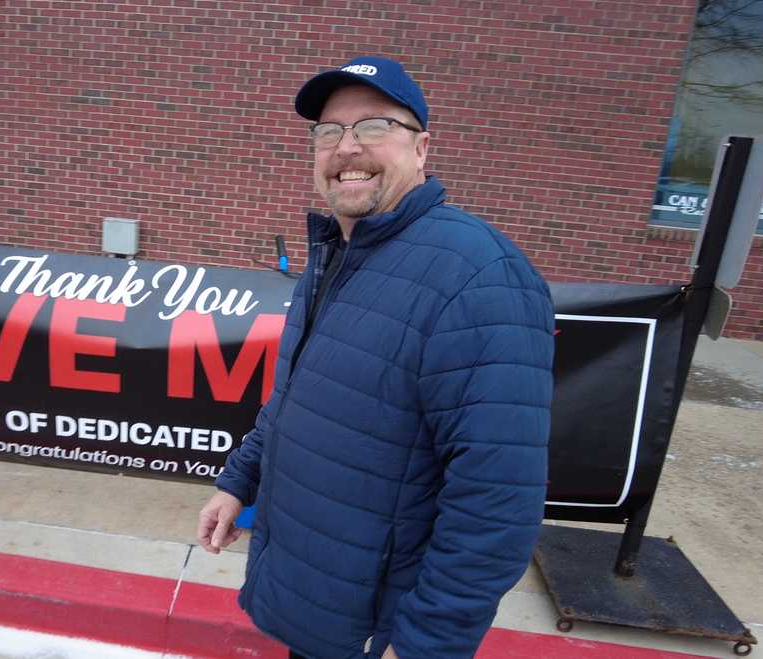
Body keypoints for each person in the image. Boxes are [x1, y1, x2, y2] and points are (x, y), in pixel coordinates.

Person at [196, 56, 555, 659]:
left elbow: (498, 501)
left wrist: (422, 646)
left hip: (377, 631)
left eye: (373, 127)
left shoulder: (479, 276)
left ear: (421, 150)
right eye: (329, 131)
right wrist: (240, 480)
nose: (346, 147)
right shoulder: (338, 254)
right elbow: (298, 400)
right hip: (318, 606)